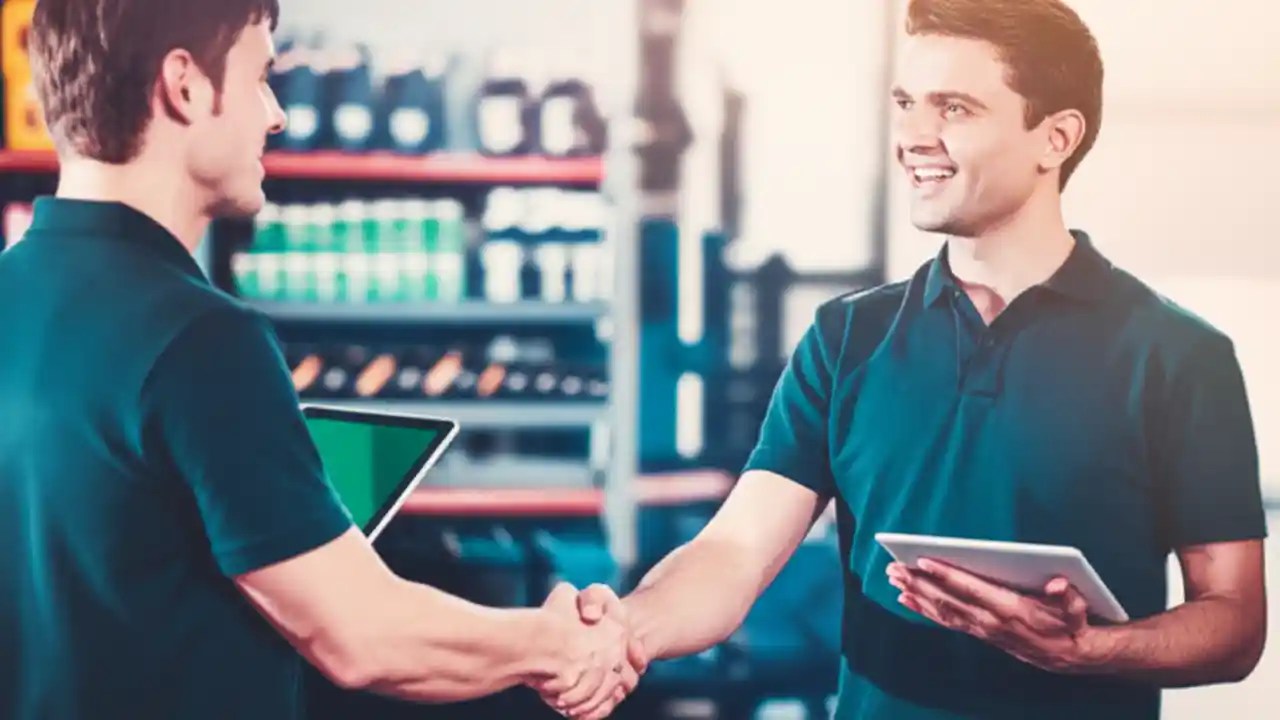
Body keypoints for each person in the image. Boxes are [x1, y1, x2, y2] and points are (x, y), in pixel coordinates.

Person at [550, 0, 1269, 718]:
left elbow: (1234, 624)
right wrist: (628, 630)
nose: (915, 137)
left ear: (1055, 138)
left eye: (954, 108)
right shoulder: (845, 339)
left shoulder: (1178, 356)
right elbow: (734, 552)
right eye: (906, 103)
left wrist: (1092, 651)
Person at [0, 2, 635, 719]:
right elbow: (364, 635)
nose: (276, 115)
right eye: (261, 77)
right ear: (184, 86)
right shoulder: (200, 340)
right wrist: (553, 644)